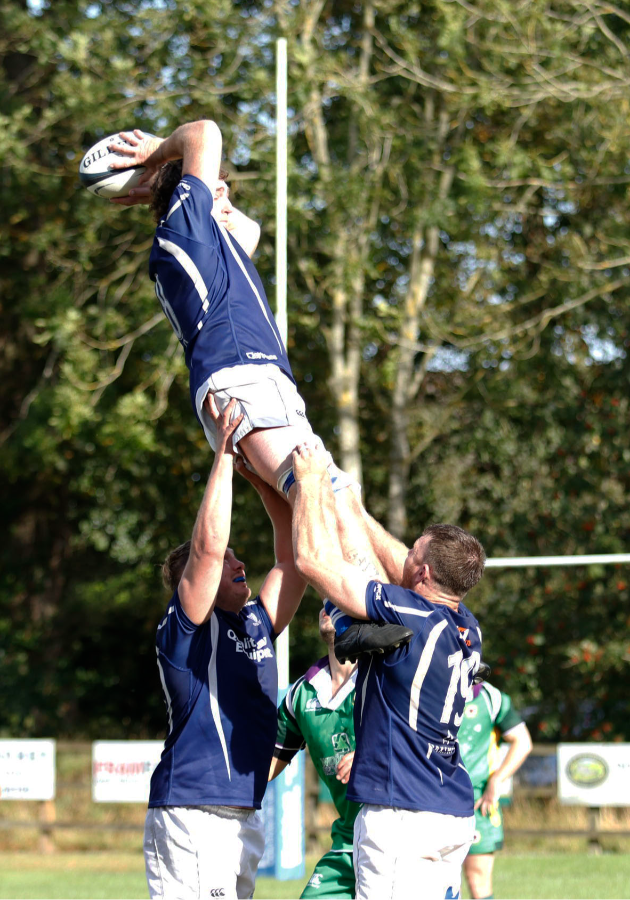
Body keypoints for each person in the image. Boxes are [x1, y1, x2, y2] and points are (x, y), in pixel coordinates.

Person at [108, 120, 411, 662]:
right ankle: (352, 617)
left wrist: (167, 185)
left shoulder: (212, 242)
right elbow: (203, 131)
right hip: (240, 375)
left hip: (260, 377)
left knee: (338, 496)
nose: (223, 192)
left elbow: (247, 230)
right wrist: (158, 154)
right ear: (186, 196)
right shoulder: (184, 229)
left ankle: (405, 611)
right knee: (314, 489)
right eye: (213, 186)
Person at [290, 440, 486, 900]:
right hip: (450, 812)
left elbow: (313, 562)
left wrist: (312, 486)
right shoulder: (466, 626)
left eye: (413, 552)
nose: (405, 555)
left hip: (404, 814)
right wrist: (354, 512)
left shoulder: (411, 614)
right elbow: (406, 567)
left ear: (421, 575)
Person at [144, 394, 307, 900]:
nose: (239, 566)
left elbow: (294, 559)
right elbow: (208, 549)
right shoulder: (185, 631)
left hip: (242, 811)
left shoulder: (255, 623)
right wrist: (225, 459)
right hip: (194, 813)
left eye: (240, 561)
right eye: (229, 563)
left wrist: (266, 481)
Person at [270, 608, 360, 900]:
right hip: (349, 840)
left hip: (402, 836)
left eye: (337, 599)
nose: (325, 606)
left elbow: (429, 742)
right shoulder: (301, 694)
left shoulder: (389, 675)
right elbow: (264, 768)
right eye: (324, 601)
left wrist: (373, 757)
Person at [458, 681, 533, 900]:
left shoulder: (491, 697)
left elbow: (523, 741)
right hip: (432, 800)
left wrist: (497, 779)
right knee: (435, 882)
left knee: (477, 879)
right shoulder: (428, 687)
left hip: (477, 804)